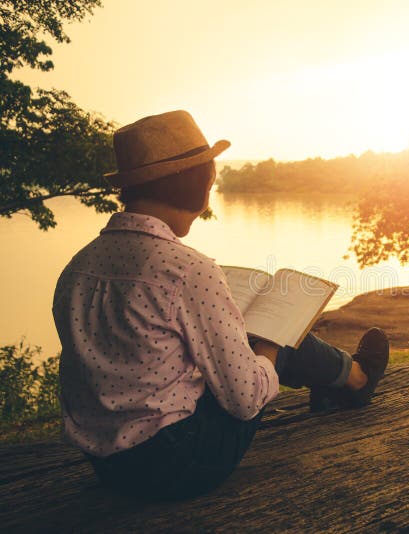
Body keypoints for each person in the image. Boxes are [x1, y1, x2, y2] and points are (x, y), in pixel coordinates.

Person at [52, 110, 389, 501]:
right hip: (182, 462)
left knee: (245, 336)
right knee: (271, 330)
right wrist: (270, 344)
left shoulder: (78, 267)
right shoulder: (186, 270)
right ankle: (357, 380)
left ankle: (340, 381)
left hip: (109, 464)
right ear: (199, 184)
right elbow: (244, 400)